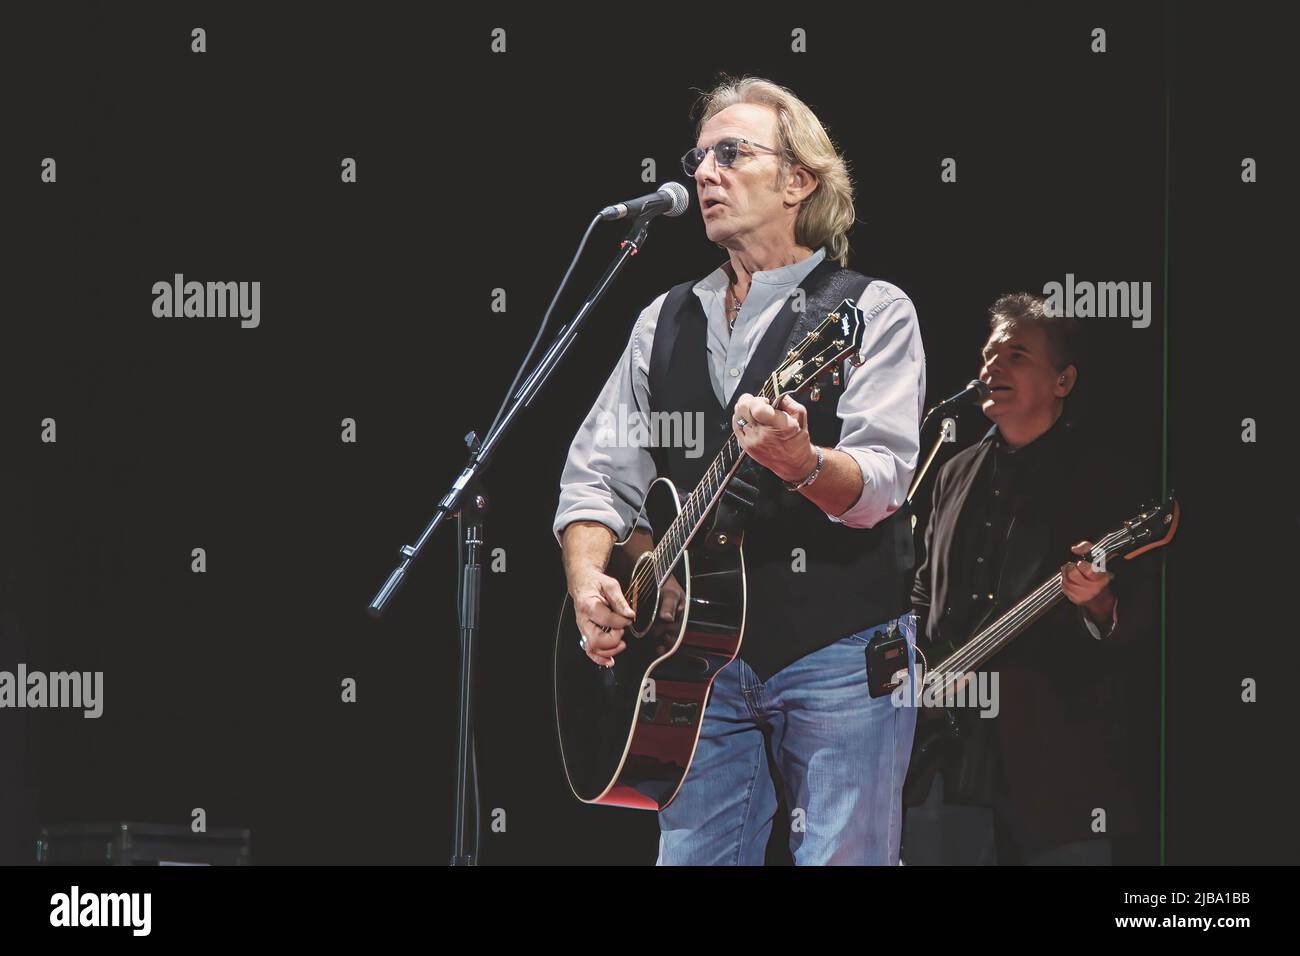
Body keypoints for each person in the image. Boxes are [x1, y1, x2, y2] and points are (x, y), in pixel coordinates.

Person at [554, 76, 927, 865]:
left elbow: (882, 482)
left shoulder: (870, 310)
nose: (703, 173)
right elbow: (596, 477)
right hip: (694, 668)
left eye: (731, 153)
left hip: (836, 652)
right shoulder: (663, 319)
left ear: (799, 181)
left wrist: (804, 463)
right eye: (698, 156)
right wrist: (590, 578)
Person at [906, 292, 1153, 865]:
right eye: (989, 355)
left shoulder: (1105, 475)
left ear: (1062, 381)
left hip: (1055, 764)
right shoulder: (951, 470)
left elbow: (1139, 615)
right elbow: (923, 591)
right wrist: (915, 673)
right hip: (942, 760)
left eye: (1016, 355)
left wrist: (1100, 601)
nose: (993, 368)